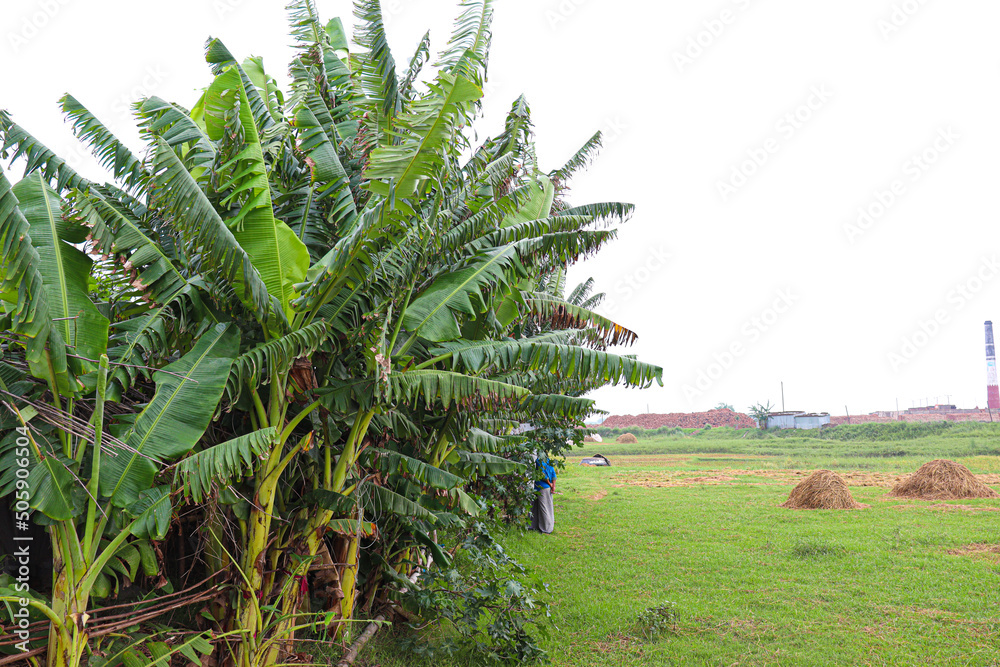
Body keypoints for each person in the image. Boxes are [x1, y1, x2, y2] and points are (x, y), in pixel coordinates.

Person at [530, 455, 557, 534]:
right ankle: (534, 526)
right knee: (537, 507)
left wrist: (550, 484)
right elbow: (554, 475)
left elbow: (543, 476)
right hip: (544, 487)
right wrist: (553, 486)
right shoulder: (549, 461)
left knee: (543, 507)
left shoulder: (538, 461)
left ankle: (546, 529)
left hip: (541, 487)